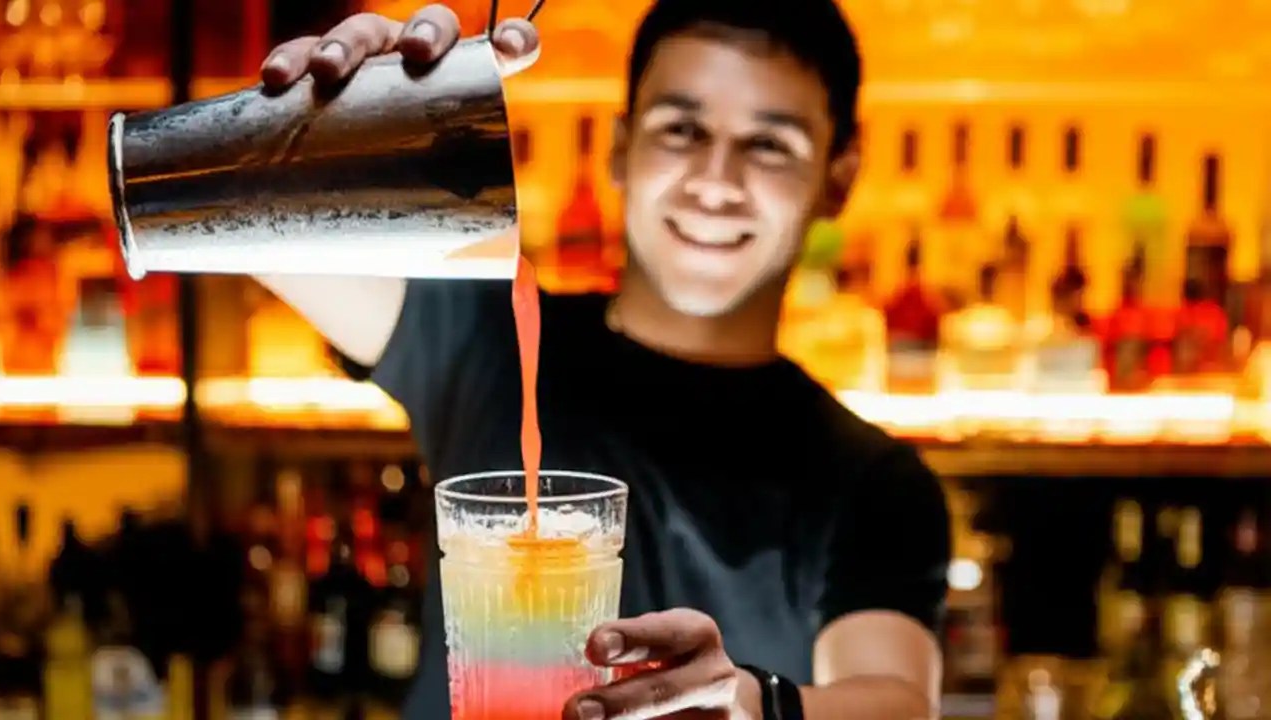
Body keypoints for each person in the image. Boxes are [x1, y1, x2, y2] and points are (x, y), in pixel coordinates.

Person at [257, 2, 951, 719]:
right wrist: (320, 115)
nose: (715, 180)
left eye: (770, 144)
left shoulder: (872, 483)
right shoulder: (486, 339)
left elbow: (896, 700)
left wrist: (746, 703)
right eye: (680, 129)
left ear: (840, 176)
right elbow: (264, 216)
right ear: (619, 147)